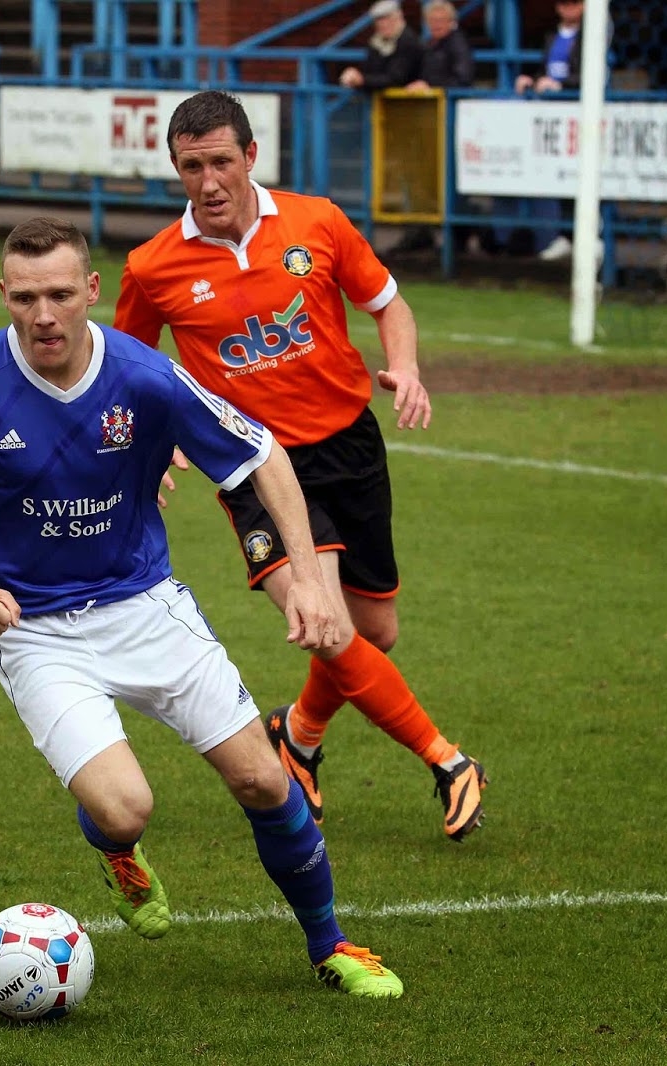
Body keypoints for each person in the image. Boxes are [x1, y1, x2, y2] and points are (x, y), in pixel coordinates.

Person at [0, 217, 405, 999]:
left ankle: (332, 945)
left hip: (145, 605)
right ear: (4, 297)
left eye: (59, 294)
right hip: (34, 630)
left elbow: (261, 455)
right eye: (24, 298)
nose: (43, 315)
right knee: (126, 810)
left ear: (91, 291)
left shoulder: (145, 376)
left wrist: (314, 581)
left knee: (263, 779)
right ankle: (118, 848)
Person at [112, 91, 487, 842]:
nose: (209, 180)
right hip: (251, 465)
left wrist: (404, 367)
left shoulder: (316, 221)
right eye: (192, 166)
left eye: (222, 161)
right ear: (176, 170)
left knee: (372, 630)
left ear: (252, 157)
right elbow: (125, 367)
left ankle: (299, 735)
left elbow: (389, 304)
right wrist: (150, 448)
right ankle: (445, 760)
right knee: (323, 620)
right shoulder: (152, 266)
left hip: (349, 445)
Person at [508, 0, 585, 261]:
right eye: (564, 4)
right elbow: (544, 69)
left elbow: (591, 73)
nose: (569, 9)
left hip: (576, 114)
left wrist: (562, 85)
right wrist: (531, 78)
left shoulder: (593, 35)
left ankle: (587, 237)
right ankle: (562, 236)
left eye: (574, 4)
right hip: (550, 116)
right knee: (553, 175)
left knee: (578, 175)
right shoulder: (550, 36)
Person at [337, 0, 424, 92]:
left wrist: (363, 80)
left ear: (398, 18)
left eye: (388, 19)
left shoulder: (408, 41)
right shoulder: (376, 42)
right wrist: (355, 77)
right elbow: (370, 72)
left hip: (410, 101)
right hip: (384, 101)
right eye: (379, 20)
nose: (383, 24)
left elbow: (396, 79)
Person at [411, 0, 475, 91]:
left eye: (440, 20)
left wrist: (429, 86)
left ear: (451, 22)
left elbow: (463, 79)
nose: (436, 24)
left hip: (451, 100)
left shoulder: (458, 43)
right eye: (432, 20)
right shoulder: (427, 45)